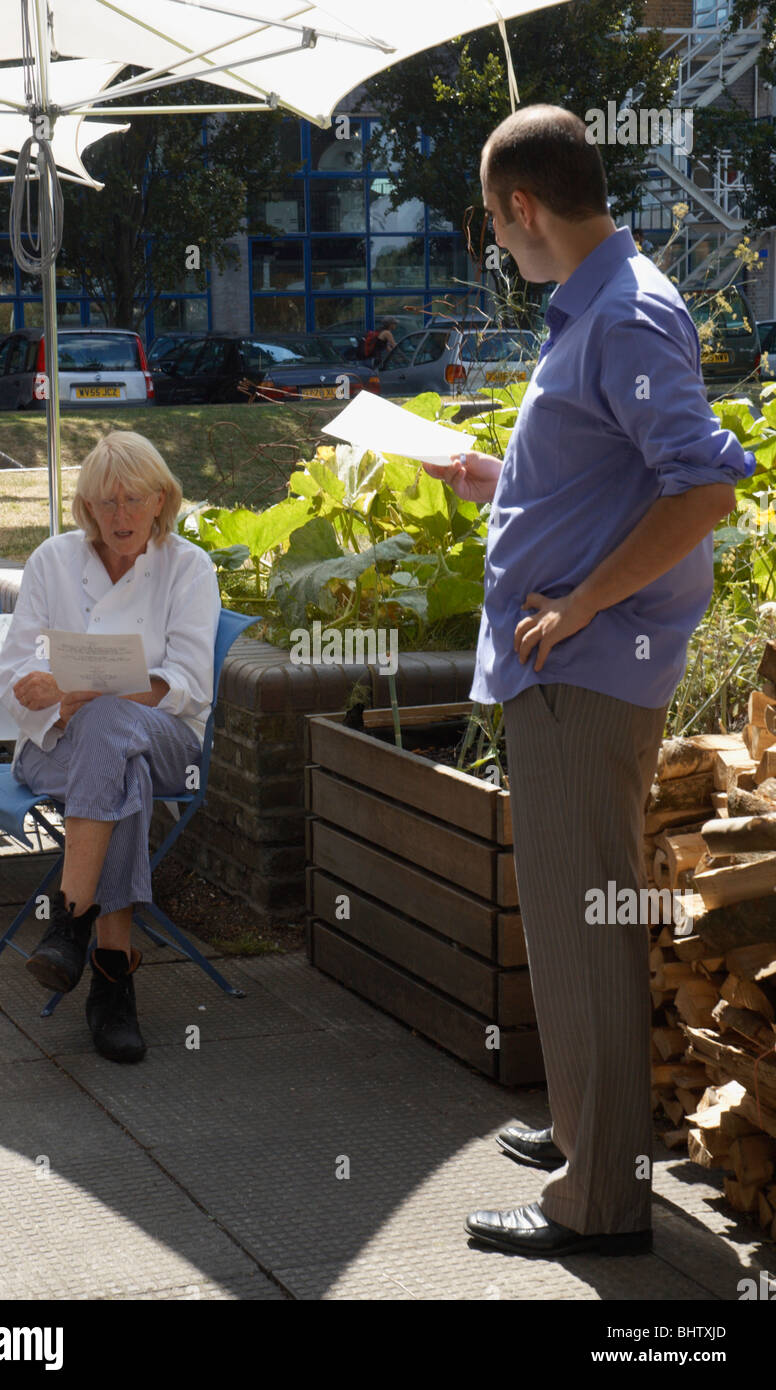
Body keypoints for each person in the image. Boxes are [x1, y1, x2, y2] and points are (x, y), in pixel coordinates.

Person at [425, 105, 755, 1257]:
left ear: (522, 207)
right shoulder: (602, 308)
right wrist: (493, 477)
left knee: (585, 925)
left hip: (584, 666)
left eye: (495, 226)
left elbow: (703, 490)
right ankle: (585, 1138)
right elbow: (607, 472)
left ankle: (598, 1200)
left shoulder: (623, 311)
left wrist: (578, 603)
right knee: (577, 921)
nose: (499, 250)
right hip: (566, 670)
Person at [0, 431, 221, 1064]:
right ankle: (112, 975)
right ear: (86, 508)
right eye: (105, 502)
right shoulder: (51, 561)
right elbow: (12, 671)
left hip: (168, 737)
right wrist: (41, 691)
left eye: (133, 499)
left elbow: (190, 684)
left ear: (160, 501)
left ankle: (70, 920)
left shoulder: (188, 567)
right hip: (55, 741)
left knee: (111, 725)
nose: (120, 516)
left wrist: (96, 694)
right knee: (121, 769)